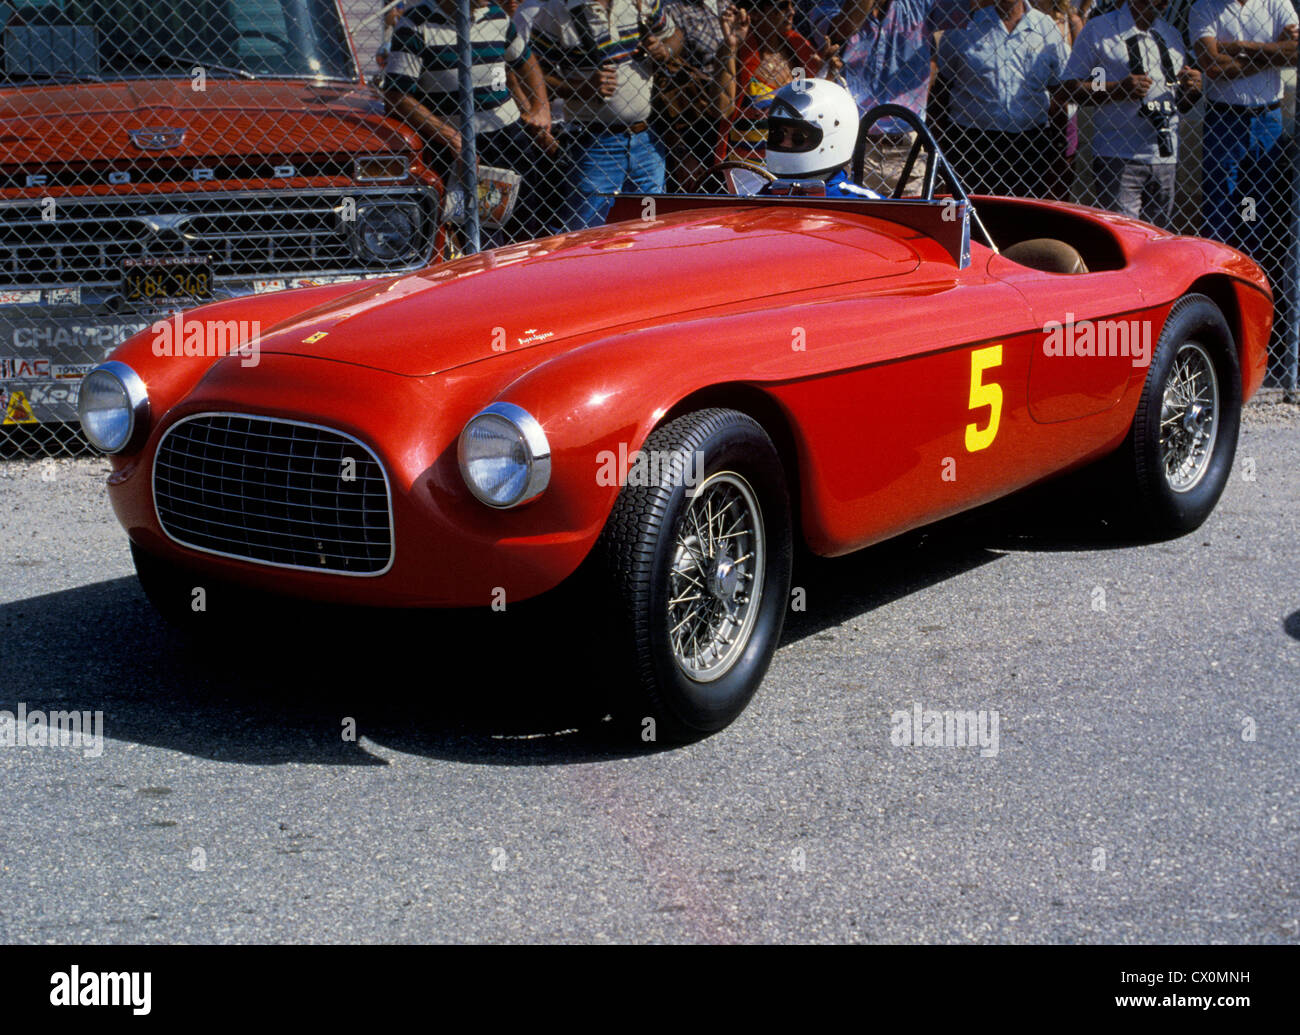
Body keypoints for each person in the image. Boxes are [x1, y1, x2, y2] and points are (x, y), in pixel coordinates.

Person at [384, 0, 553, 243]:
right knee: (471, 233)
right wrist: (451, 137)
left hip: (508, 137)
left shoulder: (496, 16)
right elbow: (396, 96)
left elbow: (525, 60)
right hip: (452, 149)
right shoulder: (416, 24)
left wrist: (542, 107)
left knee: (524, 228)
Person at [531, 0, 684, 229]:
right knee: (587, 231)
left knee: (648, 227)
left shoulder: (640, 3)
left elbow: (675, 36)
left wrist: (666, 49)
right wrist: (581, 88)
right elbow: (531, 74)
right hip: (594, 143)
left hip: (646, 139)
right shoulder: (555, 11)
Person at [1057, 0, 1201, 226]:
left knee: (1157, 237)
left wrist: (1191, 90)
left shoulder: (1170, 35)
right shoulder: (1100, 30)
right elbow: (1070, 87)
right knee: (1124, 236)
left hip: (1164, 155)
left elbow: (1180, 103)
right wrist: (1116, 89)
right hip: (1118, 154)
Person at [810, 0, 969, 196]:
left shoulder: (918, 5)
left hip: (906, 148)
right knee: (856, 221)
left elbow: (974, 6)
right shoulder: (830, 5)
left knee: (910, 221)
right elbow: (840, 30)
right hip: (853, 147)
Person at [1189, 0, 1298, 249]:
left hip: (1266, 120)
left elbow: (1296, 53)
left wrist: (1239, 47)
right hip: (1225, 120)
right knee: (1220, 203)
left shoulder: (1276, 3)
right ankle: (1218, 272)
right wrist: (1273, 53)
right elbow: (1213, 66)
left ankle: (1248, 264)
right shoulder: (1205, 7)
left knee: (1254, 202)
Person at [936, 0, 1069, 197]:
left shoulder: (1045, 27)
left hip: (1029, 146)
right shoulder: (964, 26)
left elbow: (1060, 87)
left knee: (1023, 217)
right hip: (972, 144)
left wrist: (1060, 146)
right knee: (972, 214)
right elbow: (943, 84)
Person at [660, 1, 749, 189]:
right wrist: (681, 151)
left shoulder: (730, 7)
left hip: (737, 117)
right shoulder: (675, 11)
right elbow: (666, 86)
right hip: (696, 122)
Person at [729, 0, 829, 164]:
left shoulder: (800, 51)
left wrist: (827, 70)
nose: (791, 12)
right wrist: (728, 49)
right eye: (782, 6)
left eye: (792, 4)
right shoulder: (739, 55)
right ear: (754, 13)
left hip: (795, 164)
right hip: (750, 168)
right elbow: (722, 109)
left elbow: (813, 106)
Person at [761, 77, 883, 195]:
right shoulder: (765, 196)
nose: (784, 143)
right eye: (778, 135)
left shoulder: (857, 204)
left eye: (799, 138)